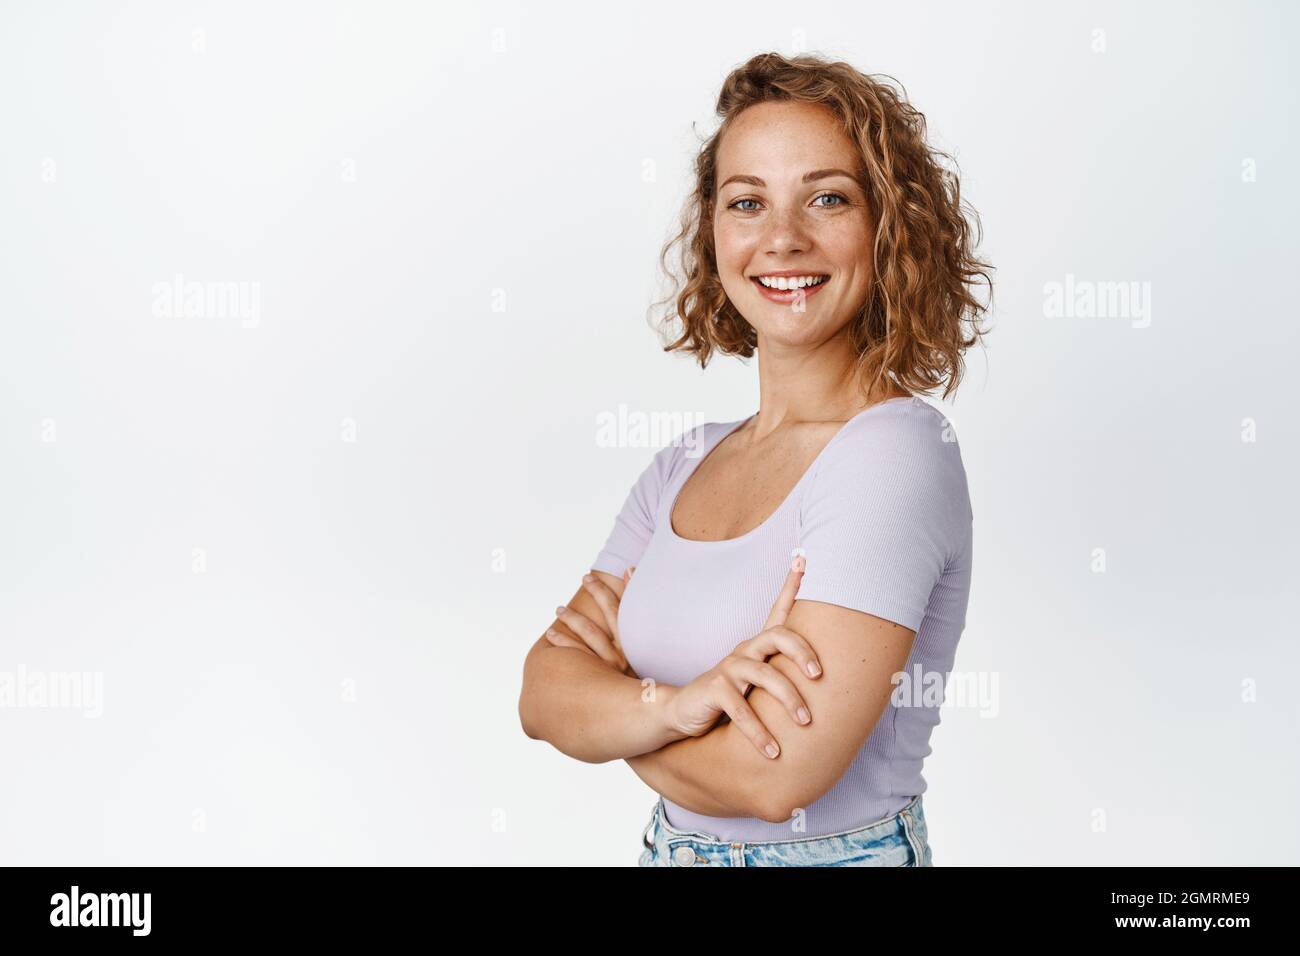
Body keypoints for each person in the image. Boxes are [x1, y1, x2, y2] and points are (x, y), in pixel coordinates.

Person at [518, 51, 992, 866]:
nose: (782, 238)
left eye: (828, 198)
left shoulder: (896, 453)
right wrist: (686, 706)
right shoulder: (686, 462)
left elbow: (774, 778)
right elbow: (540, 694)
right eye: (748, 202)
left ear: (890, 224)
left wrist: (615, 727)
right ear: (713, 228)